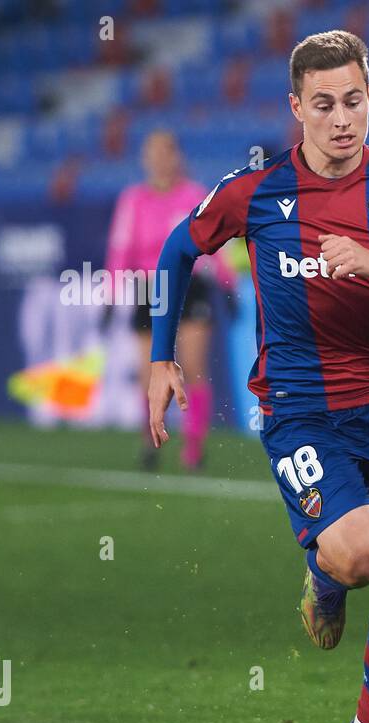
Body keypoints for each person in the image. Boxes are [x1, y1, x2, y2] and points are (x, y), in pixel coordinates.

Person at [147, 31, 369, 723]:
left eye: (354, 100)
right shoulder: (257, 189)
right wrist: (162, 355)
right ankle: (326, 570)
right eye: (324, 104)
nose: (342, 119)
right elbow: (176, 250)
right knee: (361, 553)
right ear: (296, 108)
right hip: (298, 407)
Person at [105, 129, 233, 470]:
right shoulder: (133, 200)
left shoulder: (193, 195)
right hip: (149, 288)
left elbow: (214, 243)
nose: (160, 160)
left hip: (190, 286)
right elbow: (120, 251)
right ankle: (151, 439)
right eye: (154, 154)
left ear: (176, 156)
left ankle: (193, 447)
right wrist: (111, 295)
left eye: (166, 153)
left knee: (193, 368)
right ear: (145, 160)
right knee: (150, 372)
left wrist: (227, 284)